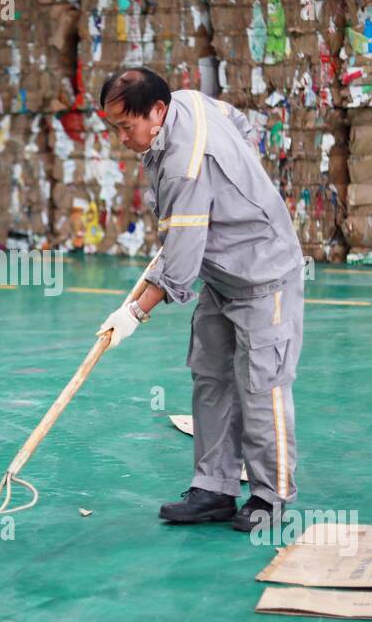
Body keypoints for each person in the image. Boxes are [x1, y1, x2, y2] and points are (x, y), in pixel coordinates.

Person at [96, 67, 305, 532]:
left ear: (158, 111)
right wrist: (236, 182)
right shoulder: (191, 100)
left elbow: (179, 268)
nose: (122, 139)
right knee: (210, 374)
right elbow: (239, 122)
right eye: (115, 128)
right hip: (223, 272)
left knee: (261, 385)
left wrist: (132, 313)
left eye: (126, 127)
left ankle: (270, 497)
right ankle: (214, 487)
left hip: (262, 273)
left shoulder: (182, 169)